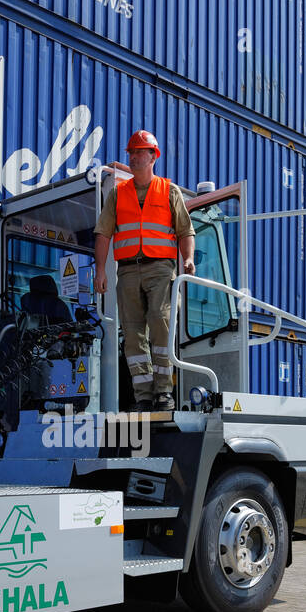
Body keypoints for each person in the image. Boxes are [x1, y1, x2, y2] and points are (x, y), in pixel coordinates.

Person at [93, 131, 195, 411]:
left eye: (139, 152)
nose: (134, 157)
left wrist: (188, 258)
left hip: (160, 268)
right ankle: (143, 396)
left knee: (161, 323)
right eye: (131, 152)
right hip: (127, 271)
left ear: (153, 156)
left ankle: (163, 392)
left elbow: (186, 230)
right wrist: (100, 270)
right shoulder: (118, 194)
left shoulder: (169, 191)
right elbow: (103, 233)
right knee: (133, 333)